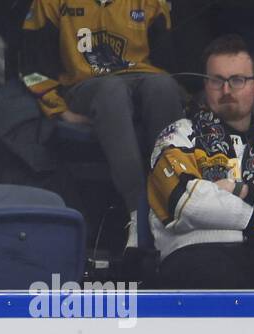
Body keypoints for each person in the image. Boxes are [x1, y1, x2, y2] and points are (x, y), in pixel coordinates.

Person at [21, 0, 184, 247]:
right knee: (111, 89)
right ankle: (137, 212)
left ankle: (174, 204)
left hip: (142, 79)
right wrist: (60, 110)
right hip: (85, 86)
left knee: (163, 85)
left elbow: (171, 67)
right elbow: (29, 64)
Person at [148, 35, 254, 289]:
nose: (226, 90)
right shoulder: (177, 135)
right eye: (216, 80)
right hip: (198, 255)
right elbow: (189, 204)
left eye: (237, 80)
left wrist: (243, 190)